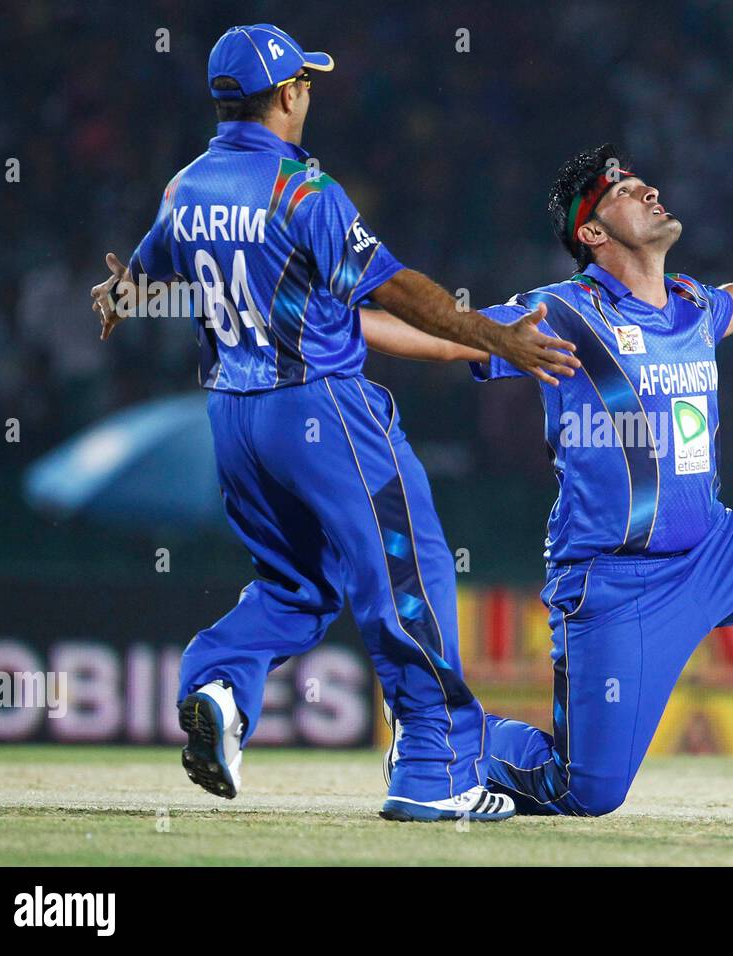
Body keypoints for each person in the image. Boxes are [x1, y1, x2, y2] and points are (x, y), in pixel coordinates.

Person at [362, 143, 733, 822]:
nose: (649, 193)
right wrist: (331, 328)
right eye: (626, 192)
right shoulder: (563, 313)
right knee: (586, 793)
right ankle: (444, 740)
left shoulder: (690, 303)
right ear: (591, 232)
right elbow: (450, 339)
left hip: (719, 549)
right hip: (618, 581)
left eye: (647, 185)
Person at [90, 24, 580, 822]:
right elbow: (394, 288)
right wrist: (498, 339)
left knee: (297, 584)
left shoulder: (186, 188)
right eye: (306, 82)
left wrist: (116, 299)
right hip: (320, 410)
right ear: (287, 94)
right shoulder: (302, 189)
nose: (310, 92)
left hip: (232, 419)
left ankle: (218, 683)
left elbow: (144, 272)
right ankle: (435, 770)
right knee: (407, 572)